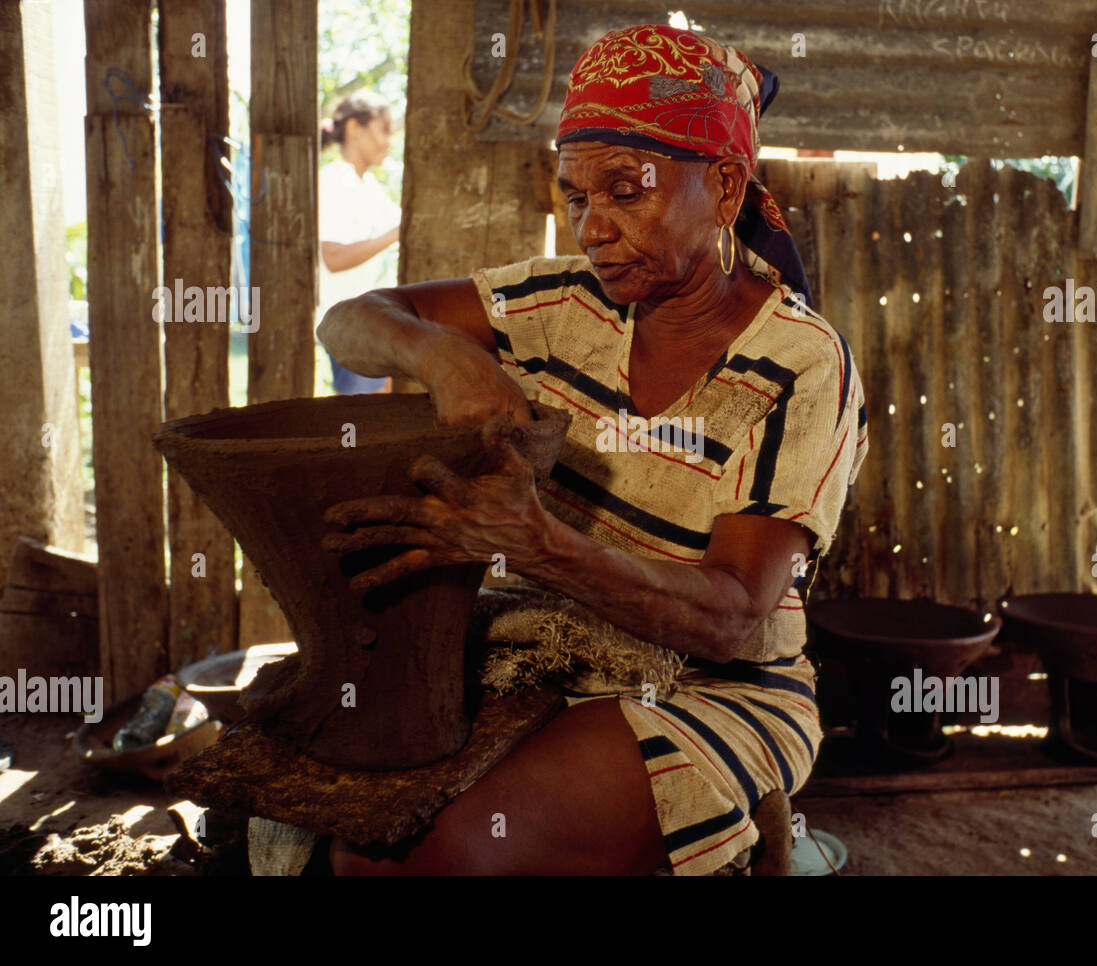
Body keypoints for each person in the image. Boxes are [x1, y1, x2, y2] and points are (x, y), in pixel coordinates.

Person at [317, 23, 868, 875]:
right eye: (576, 197)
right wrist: (438, 353)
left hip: (711, 685)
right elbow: (349, 320)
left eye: (625, 189)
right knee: (353, 835)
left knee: (454, 855)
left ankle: (757, 822)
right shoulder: (559, 305)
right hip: (540, 641)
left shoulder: (798, 363)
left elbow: (728, 619)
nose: (593, 228)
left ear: (724, 187)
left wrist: (536, 544)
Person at [317, 90, 400, 394]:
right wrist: (395, 234)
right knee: (363, 425)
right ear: (354, 129)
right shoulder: (336, 180)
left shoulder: (370, 186)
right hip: (351, 327)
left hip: (373, 326)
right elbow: (333, 257)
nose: (389, 141)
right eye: (384, 130)